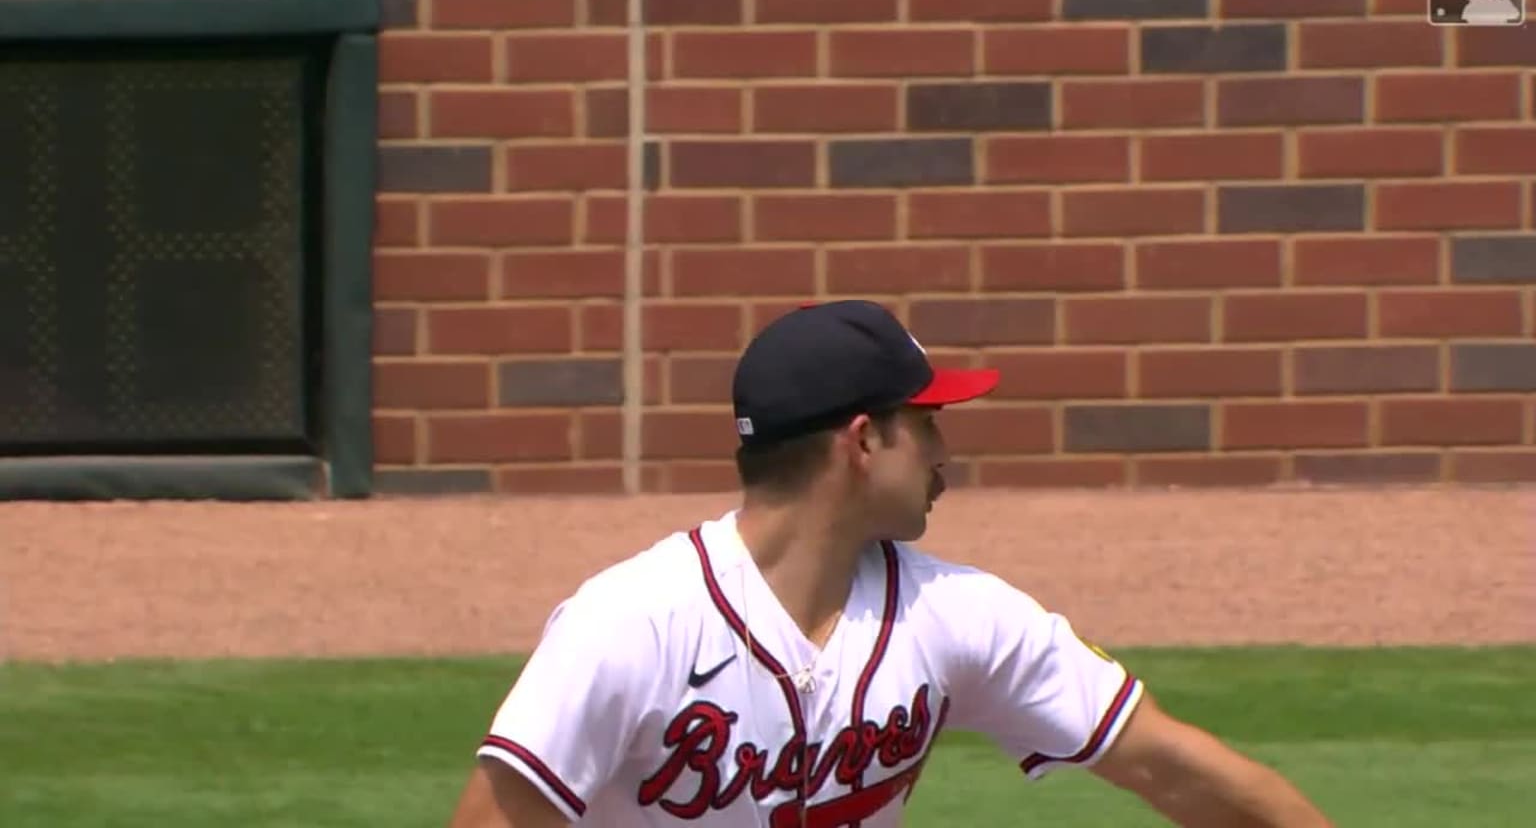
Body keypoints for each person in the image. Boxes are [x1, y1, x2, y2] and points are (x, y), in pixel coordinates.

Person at [446, 300, 1333, 827]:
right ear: (864, 441)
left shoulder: (955, 616)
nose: (946, 453)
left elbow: (1172, 767)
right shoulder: (632, 624)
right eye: (929, 424)